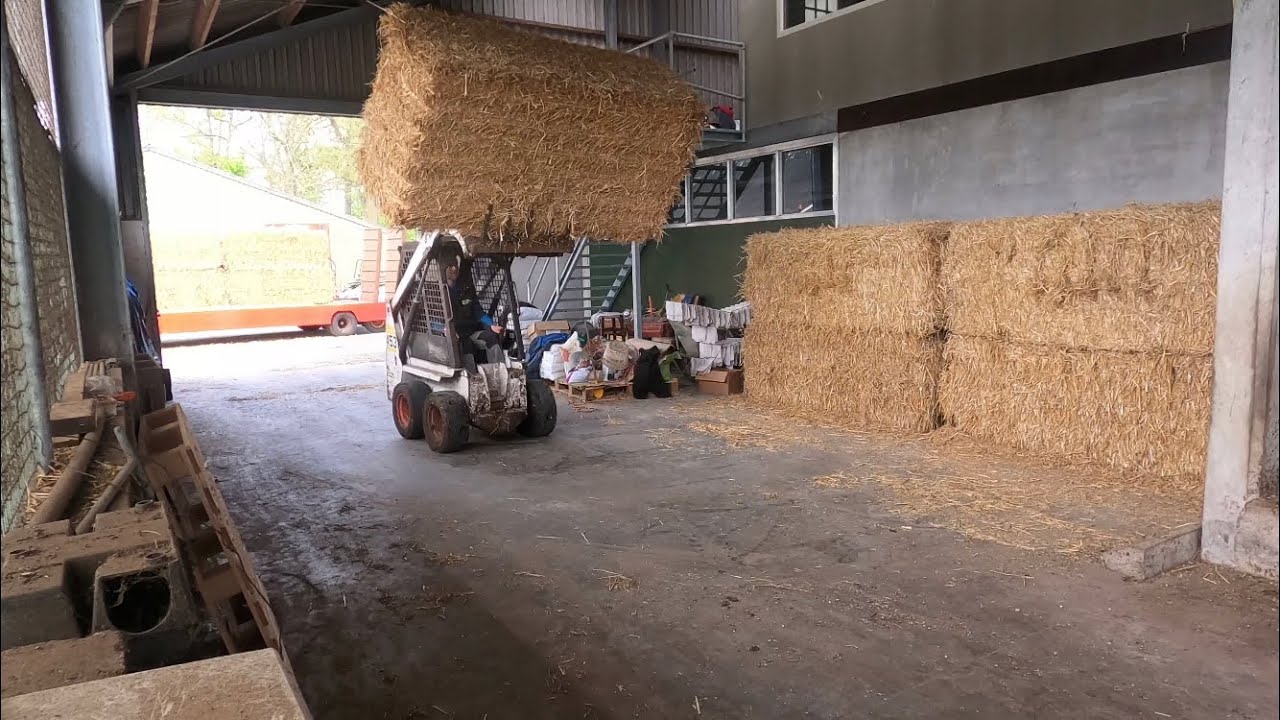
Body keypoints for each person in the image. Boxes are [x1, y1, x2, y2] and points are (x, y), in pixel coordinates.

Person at [446, 263, 505, 364]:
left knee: (491, 338)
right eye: (451, 265)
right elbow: (433, 317)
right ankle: (473, 377)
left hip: (471, 331)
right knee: (466, 344)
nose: (454, 268)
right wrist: (445, 329)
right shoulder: (436, 291)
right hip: (453, 335)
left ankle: (499, 371)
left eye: (456, 265)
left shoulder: (466, 287)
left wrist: (491, 325)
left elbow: (478, 311)